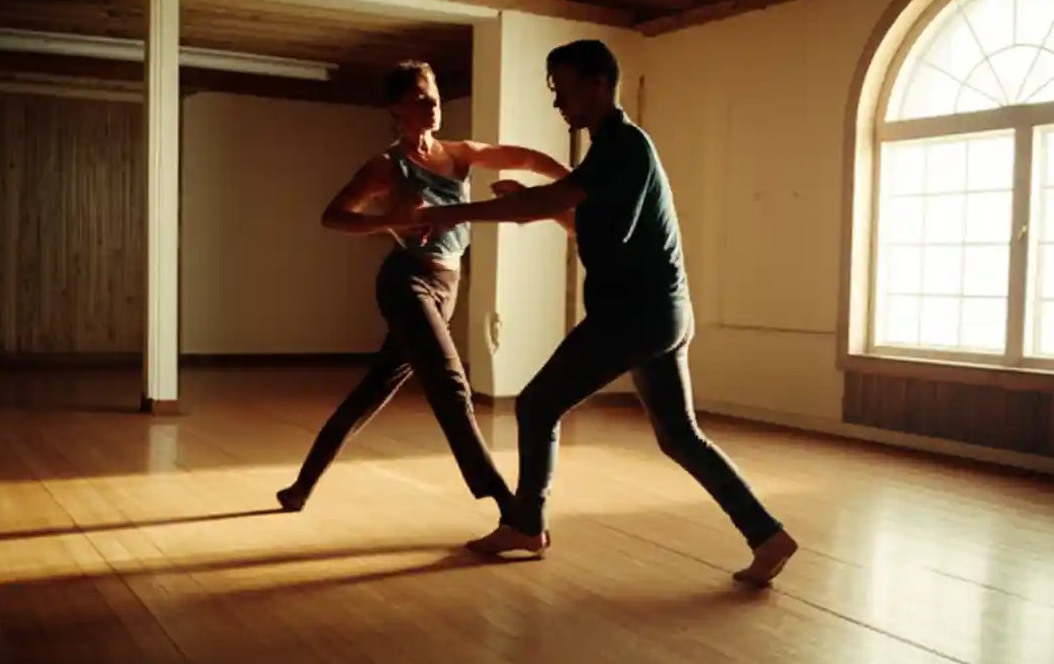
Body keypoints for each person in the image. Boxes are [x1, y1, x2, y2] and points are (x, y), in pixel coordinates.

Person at [371, 41, 798, 586]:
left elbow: (558, 208)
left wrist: (464, 210)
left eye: (563, 89)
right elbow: (574, 219)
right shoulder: (611, 151)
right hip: (661, 313)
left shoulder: (623, 146)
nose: (558, 103)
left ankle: (526, 525)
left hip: (635, 314)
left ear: (597, 84)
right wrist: (537, 203)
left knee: (536, 405)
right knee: (679, 436)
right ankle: (768, 534)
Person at [276, 61, 571, 523]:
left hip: (446, 286)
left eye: (434, 95)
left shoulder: (460, 153)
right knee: (453, 385)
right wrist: (395, 220)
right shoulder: (387, 166)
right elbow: (334, 216)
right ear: (396, 108)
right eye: (420, 98)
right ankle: (503, 500)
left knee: (373, 390)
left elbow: (530, 160)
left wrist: (575, 183)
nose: (433, 105)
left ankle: (300, 487)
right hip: (406, 282)